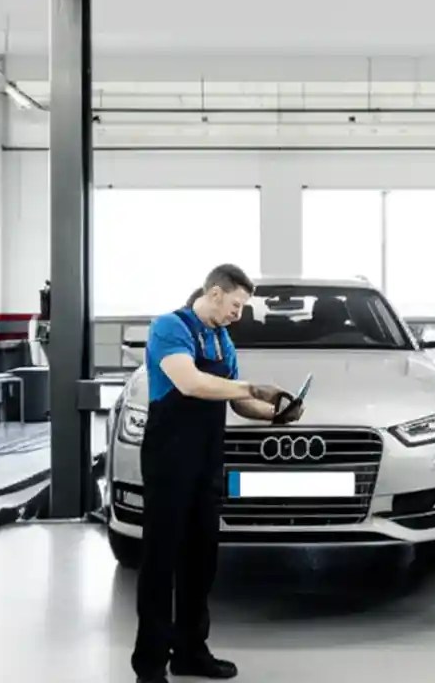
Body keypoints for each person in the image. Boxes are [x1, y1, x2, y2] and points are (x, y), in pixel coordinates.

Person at [132, 264, 304, 683]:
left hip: (207, 460)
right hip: (169, 460)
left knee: (201, 560)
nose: (238, 315)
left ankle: (190, 652)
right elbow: (191, 383)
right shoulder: (170, 328)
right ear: (214, 293)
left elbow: (237, 402)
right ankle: (151, 664)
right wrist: (251, 386)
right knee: (160, 562)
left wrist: (276, 415)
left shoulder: (223, 340)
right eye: (236, 305)